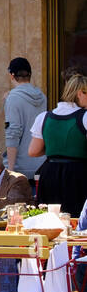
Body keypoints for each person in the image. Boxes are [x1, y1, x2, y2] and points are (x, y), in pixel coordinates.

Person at [28, 69, 87, 216]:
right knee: (75, 218)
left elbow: (33, 151)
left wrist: (54, 147)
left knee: (50, 220)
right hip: (77, 174)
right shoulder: (85, 117)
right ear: (80, 93)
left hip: (50, 173)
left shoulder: (44, 117)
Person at [4, 57, 47, 179]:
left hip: (20, 168)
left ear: (12, 76)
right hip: (40, 165)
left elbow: (12, 134)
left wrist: (10, 172)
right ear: (30, 75)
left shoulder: (13, 98)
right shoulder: (42, 97)